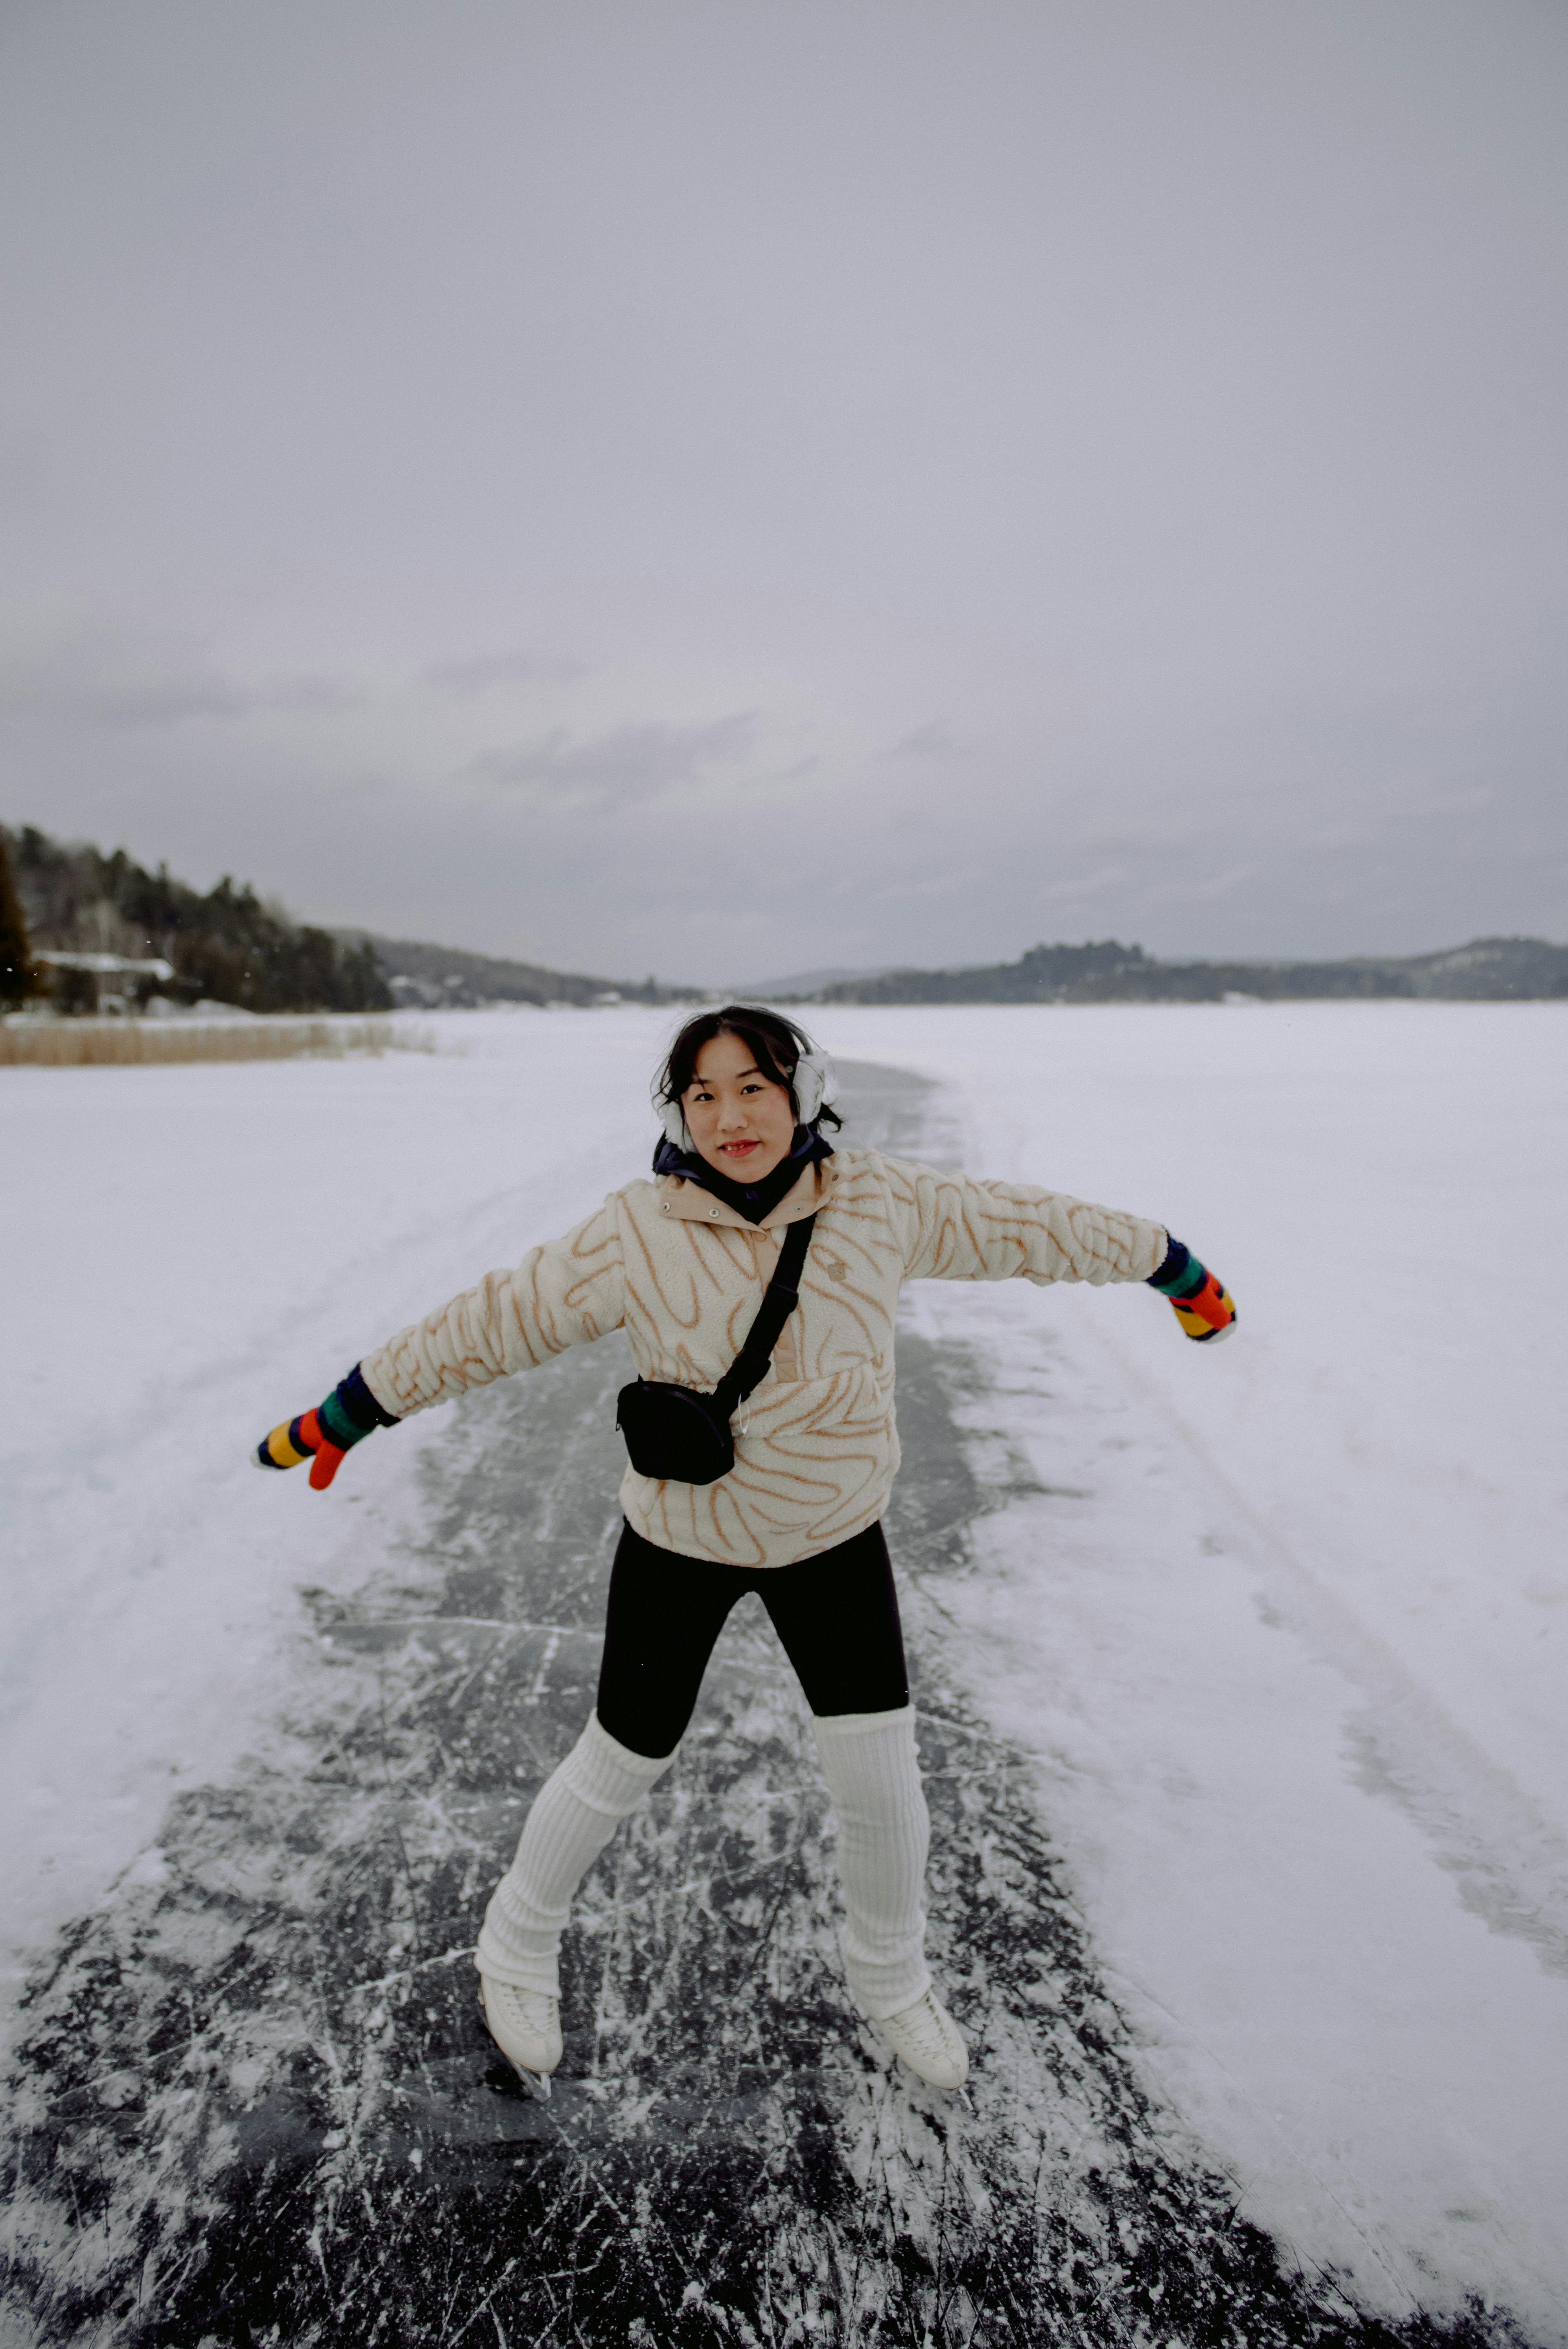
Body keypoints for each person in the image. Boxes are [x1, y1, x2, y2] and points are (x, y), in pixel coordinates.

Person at [255, 1007, 1235, 2093]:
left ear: (803, 1091)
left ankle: (892, 1977)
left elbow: (1030, 1226)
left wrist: (1170, 1265)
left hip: (833, 1538)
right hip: (685, 1538)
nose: (730, 1116)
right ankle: (515, 1944)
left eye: (755, 1087)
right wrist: (351, 1409)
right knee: (620, 1759)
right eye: (703, 1094)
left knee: (879, 1781)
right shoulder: (634, 1230)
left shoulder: (884, 1203)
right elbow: (492, 1321)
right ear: (678, 1110)